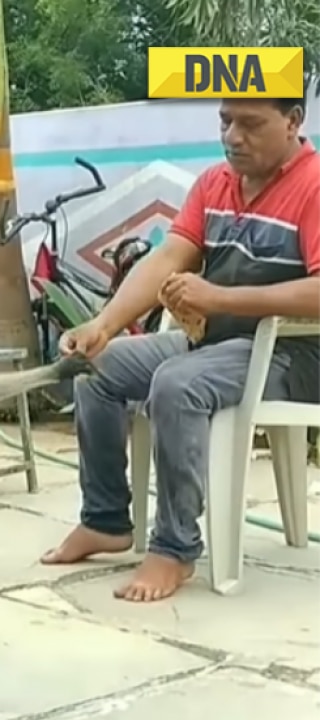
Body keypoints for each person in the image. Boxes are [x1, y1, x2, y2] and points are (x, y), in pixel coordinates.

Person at [40, 97, 320, 602]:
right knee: (93, 368)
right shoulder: (214, 183)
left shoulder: (315, 185)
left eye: (251, 124)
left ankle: (174, 549)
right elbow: (168, 256)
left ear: (294, 120)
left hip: (291, 355)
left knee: (176, 384)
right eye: (226, 122)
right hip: (213, 341)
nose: (233, 136)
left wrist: (220, 298)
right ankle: (105, 519)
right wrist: (104, 325)